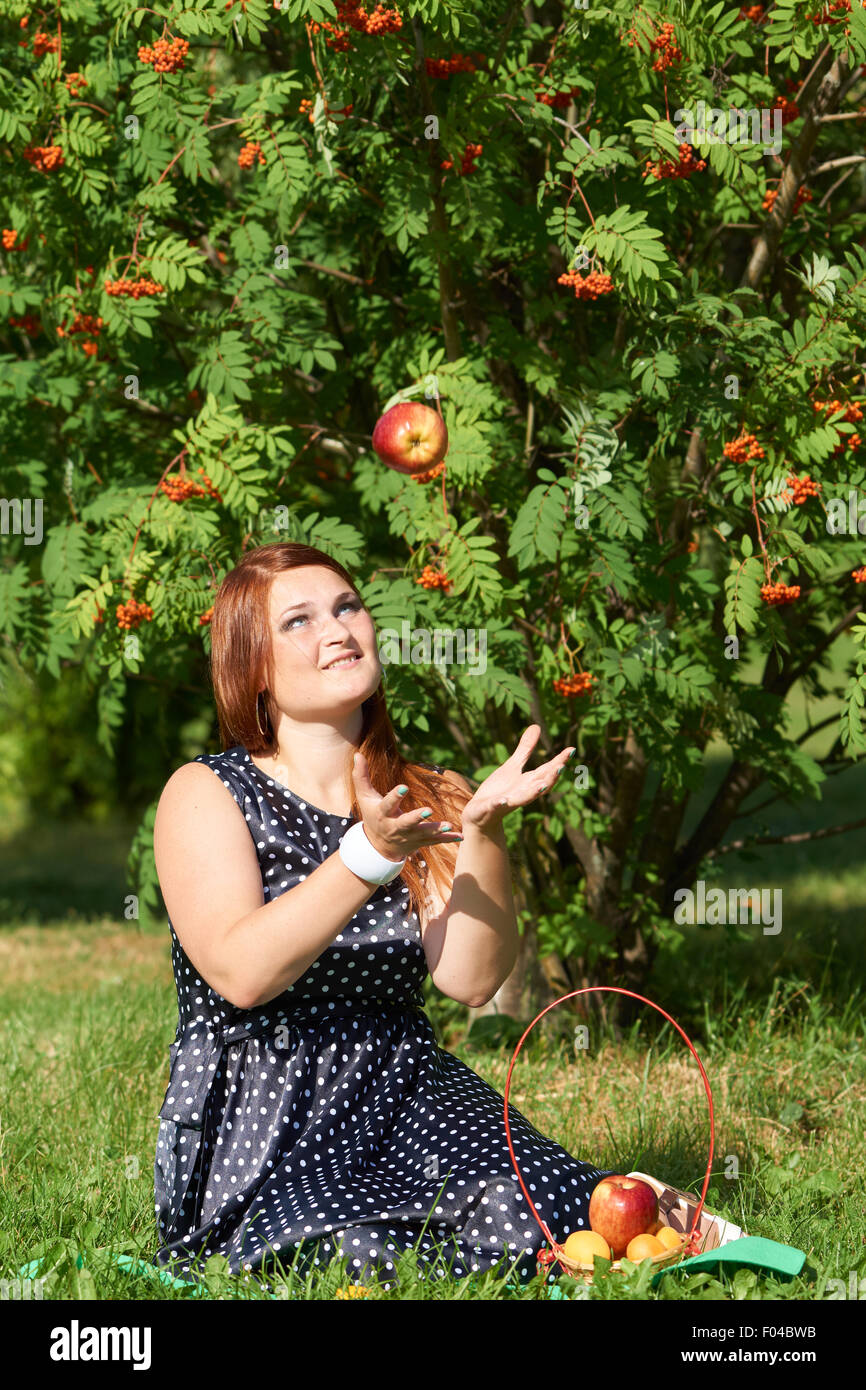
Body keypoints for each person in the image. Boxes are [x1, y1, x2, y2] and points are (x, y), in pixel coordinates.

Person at [151, 540, 618, 1291]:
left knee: (546, 1212)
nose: (337, 631)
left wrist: (484, 829)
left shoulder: (430, 792)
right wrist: (366, 855)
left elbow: (469, 978)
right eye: (298, 622)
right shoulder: (207, 793)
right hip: (266, 1112)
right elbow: (243, 974)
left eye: (347, 607)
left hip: (405, 1087)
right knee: (360, 1253)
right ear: (254, 669)